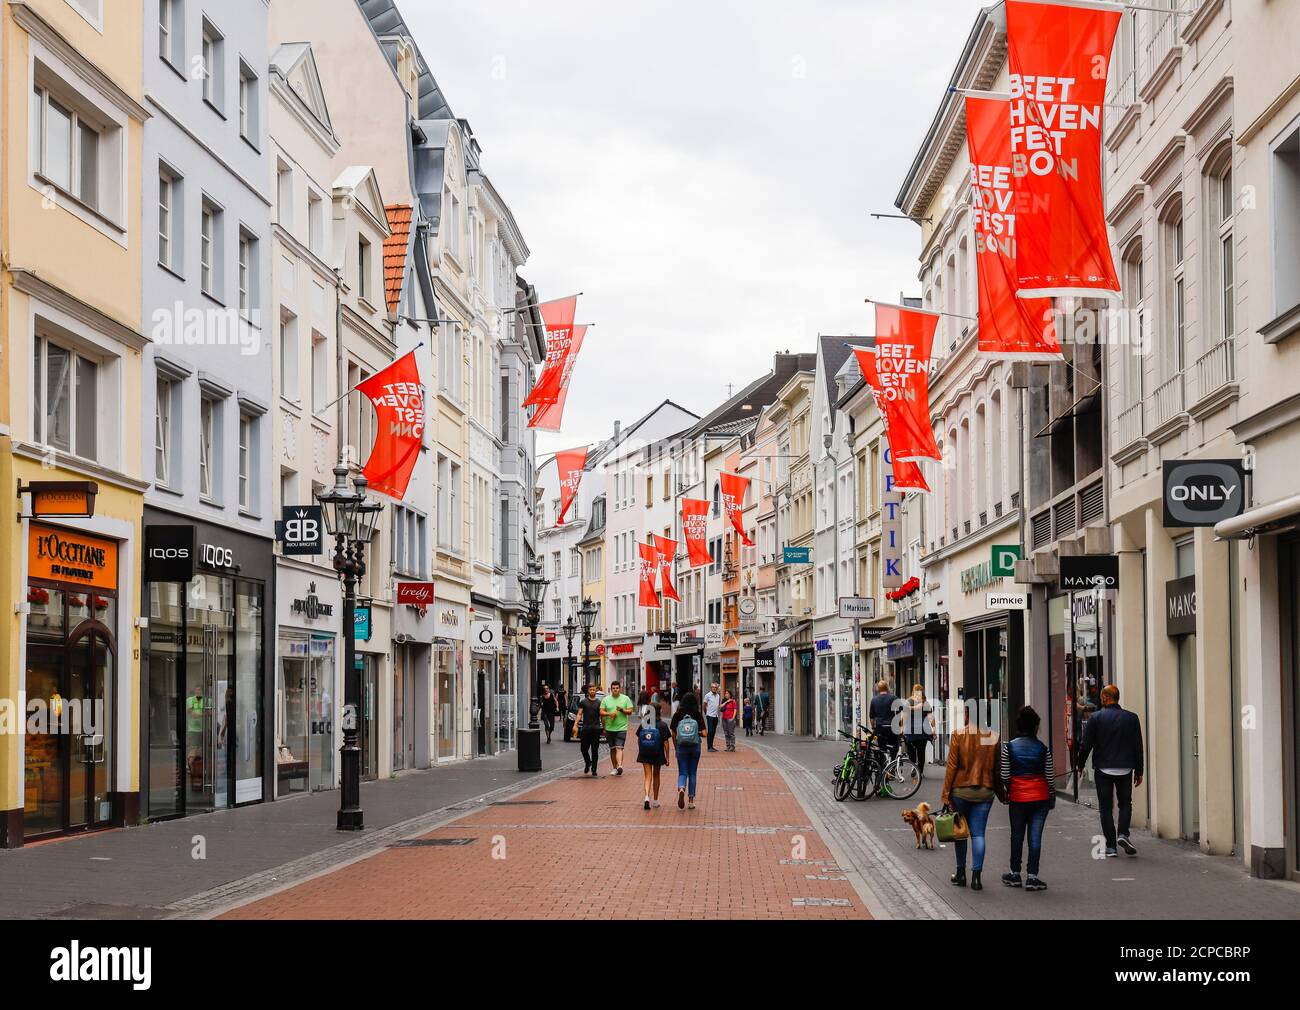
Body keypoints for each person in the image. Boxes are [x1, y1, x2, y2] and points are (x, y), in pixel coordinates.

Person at [1075, 684, 1144, 857]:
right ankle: (1123, 834)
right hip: (1125, 768)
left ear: (1105, 698)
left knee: (1105, 808)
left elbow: (1086, 745)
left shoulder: (1096, 718)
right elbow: (1138, 746)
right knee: (1125, 803)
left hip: (1103, 768)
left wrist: (1080, 764)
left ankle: (1111, 846)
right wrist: (1139, 770)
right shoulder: (1132, 718)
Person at [940, 709, 1002, 891]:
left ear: (967, 715)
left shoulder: (958, 735)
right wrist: (1002, 794)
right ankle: (977, 877)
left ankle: (960, 874)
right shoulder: (994, 736)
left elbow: (951, 767)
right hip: (985, 791)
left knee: (960, 833)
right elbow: (996, 770)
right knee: (978, 834)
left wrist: (945, 795)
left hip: (960, 791)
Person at [1000, 705, 1056, 891]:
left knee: (1016, 836)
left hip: (1017, 797)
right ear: (1035, 727)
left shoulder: (1009, 747)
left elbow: (1005, 775)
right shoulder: (1043, 748)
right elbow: (1049, 776)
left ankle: (1014, 874)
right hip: (1040, 797)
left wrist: (1008, 790)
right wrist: (1052, 796)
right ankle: (1032, 876)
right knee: (1035, 837)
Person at [635, 696, 671, 809]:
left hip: (645, 753)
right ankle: (655, 800)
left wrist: (641, 750)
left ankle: (646, 796)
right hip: (658, 753)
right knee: (656, 775)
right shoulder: (662, 725)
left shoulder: (643, 724)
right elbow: (666, 743)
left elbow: (638, 739)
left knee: (647, 776)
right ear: (659, 711)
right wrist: (667, 757)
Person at [670, 691, 704, 809]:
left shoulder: (678, 714)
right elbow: (705, 733)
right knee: (693, 773)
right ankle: (690, 800)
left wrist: (676, 748)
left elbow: (673, 733)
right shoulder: (697, 714)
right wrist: (698, 732)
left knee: (683, 772)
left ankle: (681, 788)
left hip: (681, 747)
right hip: (695, 747)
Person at [600, 681, 635, 776]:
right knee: (612, 749)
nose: (615, 690)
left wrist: (623, 710)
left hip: (622, 727)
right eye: (613, 688)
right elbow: (601, 712)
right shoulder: (606, 699)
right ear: (611, 689)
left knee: (619, 747)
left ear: (620, 689)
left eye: (617, 688)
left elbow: (630, 711)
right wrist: (609, 714)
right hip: (609, 728)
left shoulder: (625, 699)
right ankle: (614, 767)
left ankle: (620, 766)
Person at [903, 684, 935, 772]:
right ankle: (919, 771)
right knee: (921, 752)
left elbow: (904, 717)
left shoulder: (908, 701)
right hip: (923, 731)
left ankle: (914, 767)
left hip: (910, 731)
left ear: (913, 690)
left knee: (911, 751)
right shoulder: (925, 703)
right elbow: (930, 717)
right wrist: (934, 729)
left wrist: (902, 729)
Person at [574, 683, 603, 777]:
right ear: (588, 691)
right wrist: (575, 724)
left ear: (596, 691)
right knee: (583, 749)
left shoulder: (599, 702)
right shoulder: (583, 702)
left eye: (594, 690)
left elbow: (602, 716)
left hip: (596, 729)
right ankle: (588, 762)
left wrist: (605, 728)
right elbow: (579, 714)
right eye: (591, 690)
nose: (592, 691)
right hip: (586, 729)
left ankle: (594, 769)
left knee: (595, 750)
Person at [868, 681, 900, 761]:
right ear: (887, 687)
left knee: (882, 748)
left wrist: (873, 727)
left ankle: (883, 766)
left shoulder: (874, 700)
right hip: (891, 728)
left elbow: (872, 717)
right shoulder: (894, 698)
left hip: (880, 728)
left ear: (878, 689)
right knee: (895, 746)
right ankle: (892, 763)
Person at [703, 682, 722, 751]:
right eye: (713, 687)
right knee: (710, 731)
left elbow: (718, 705)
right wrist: (706, 713)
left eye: (715, 687)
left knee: (713, 731)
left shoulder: (718, 696)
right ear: (711, 688)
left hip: (716, 716)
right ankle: (709, 747)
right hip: (710, 716)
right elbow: (704, 705)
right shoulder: (707, 695)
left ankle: (711, 746)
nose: (714, 688)